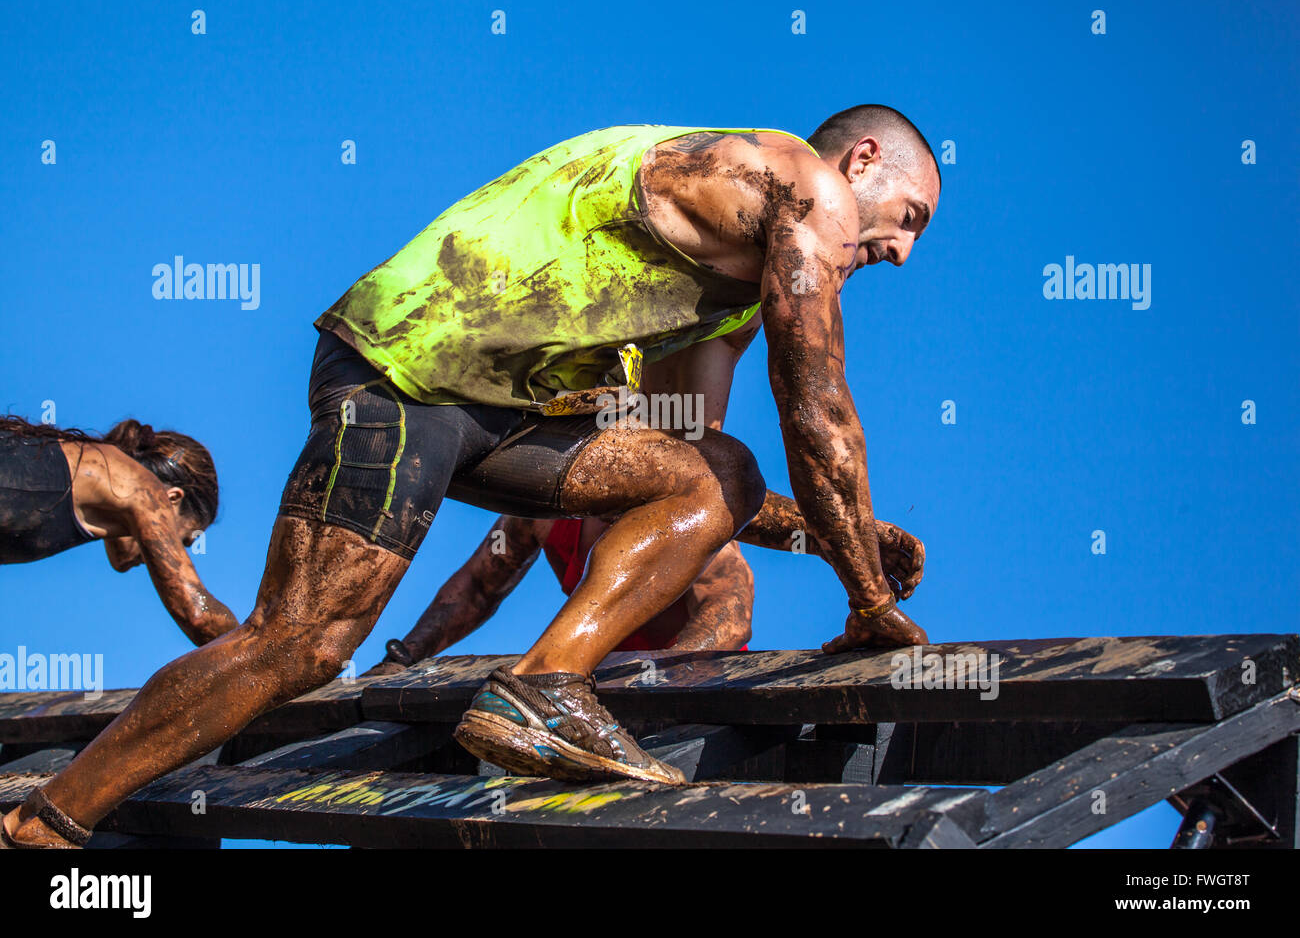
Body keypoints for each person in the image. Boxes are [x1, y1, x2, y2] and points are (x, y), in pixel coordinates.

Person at [2, 104, 940, 847]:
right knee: (301, 646)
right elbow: (818, 408)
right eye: (909, 218)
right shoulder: (801, 185)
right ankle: (45, 820)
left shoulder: (718, 286)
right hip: (410, 372)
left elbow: (687, 453)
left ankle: (545, 686)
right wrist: (866, 595)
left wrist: (831, 538)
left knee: (714, 474)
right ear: (860, 162)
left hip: (502, 410)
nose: (901, 250)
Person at [363, 510, 925, 673]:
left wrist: (652, 689)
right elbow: (478, 587)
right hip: (591, 691)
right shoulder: (540, 510)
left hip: (694, 699)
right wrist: (404, 655)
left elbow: (729, 615)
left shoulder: (687, 527)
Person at [0, 416, 236, 645]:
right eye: (181, 542)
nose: (154, 558)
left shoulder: (91, 470)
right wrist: (260, 643)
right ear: (171, 499)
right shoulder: (142, 487)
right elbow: (199, 617)